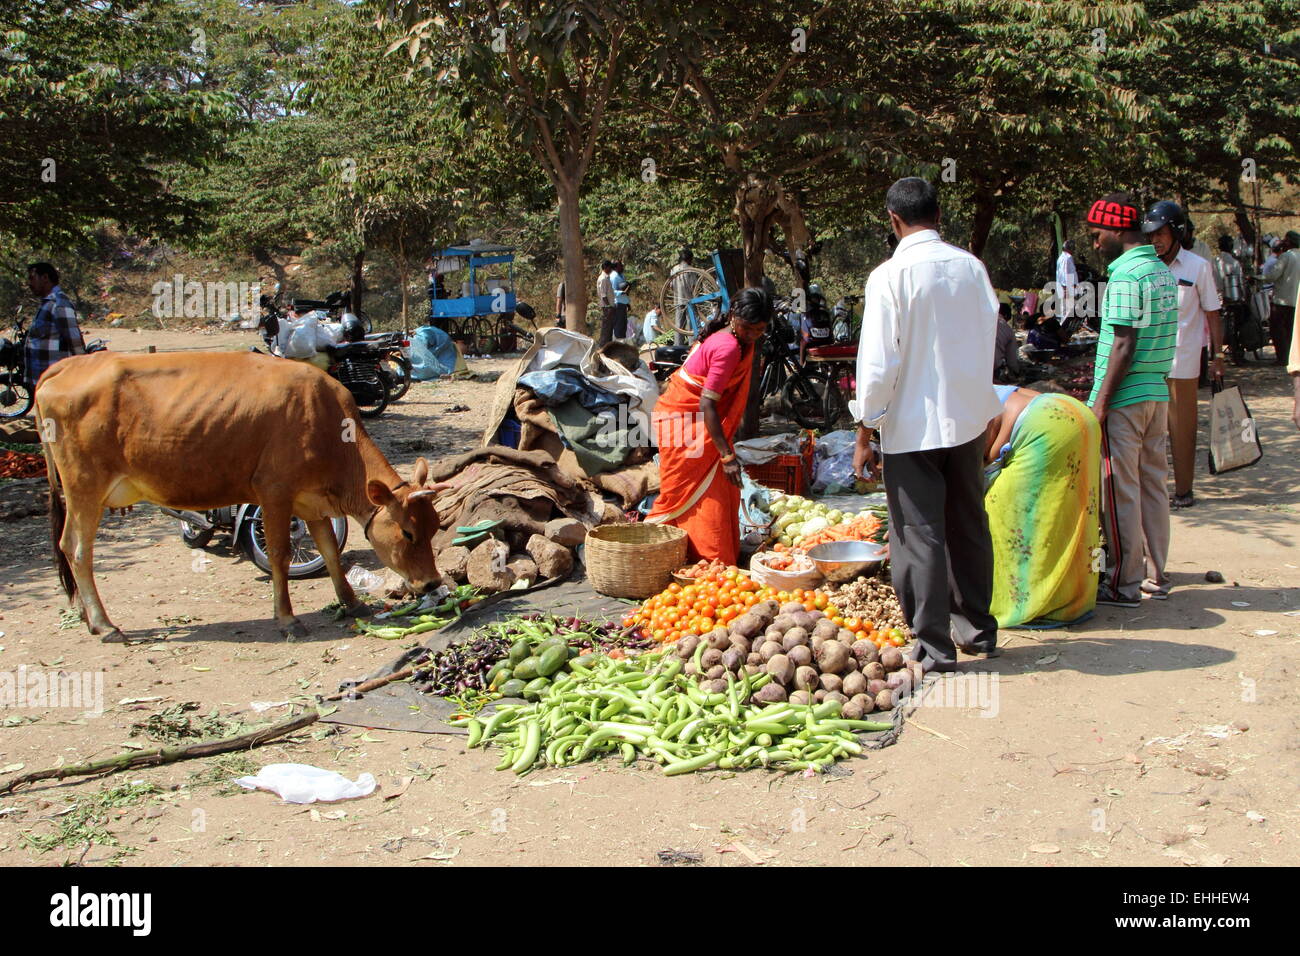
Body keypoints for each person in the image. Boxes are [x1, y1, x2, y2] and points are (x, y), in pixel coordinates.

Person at [849, 177, 1001, 673]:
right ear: (940, 215)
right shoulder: (971, 268)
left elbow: (876, 368)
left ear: (893, 221)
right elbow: (988, 340)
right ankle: (976, 629)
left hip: (912, 428)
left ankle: (935, 646)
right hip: (967, 419)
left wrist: (865, 430)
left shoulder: (889, 277)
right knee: (968, 523)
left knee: (919, 532)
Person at [1085, 192, 1179, 607]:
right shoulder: (1160, 271)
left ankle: (1123, 584)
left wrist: (1101, 404)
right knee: (1153, 485)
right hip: (1156, 393)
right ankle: (1156, 574)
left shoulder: (1126, 276)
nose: (1094, 242)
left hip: (1124, 399)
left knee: (1119, 489)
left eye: (1097, 233)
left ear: (1117, 230)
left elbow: (1123, 344)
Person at [646, 288, 772, 565]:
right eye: (748, 328)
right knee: (695, 496)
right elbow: (707, 405)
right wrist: (727, 456)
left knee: (721, 490)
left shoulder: (737, 340)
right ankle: (686, 559)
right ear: (734, 317)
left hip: (693, 424)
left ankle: (695, 559)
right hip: (686, 426)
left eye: (760, 330)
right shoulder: (727, 347)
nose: (753, 335)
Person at [982, 384, 1101, 627]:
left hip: (1046, 427)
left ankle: (1029, 605)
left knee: (1004, 515)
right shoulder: (972, 383)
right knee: (1066, 513)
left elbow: (979, 464)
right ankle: (1070, 597)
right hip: (1077, 415)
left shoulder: (956, 406)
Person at [1142, 201, 1223, 509]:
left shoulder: (1197, 267)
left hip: (1183, 363)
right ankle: (1154, 490)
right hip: (1149, 364)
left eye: (1160, 233)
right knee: (1150, 430)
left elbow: (1213, 313)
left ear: (1175, 232)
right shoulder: (1146, 266)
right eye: (1151, 235)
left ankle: (1184, 490)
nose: (1155, 240)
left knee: (1182, 429)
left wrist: (1218, 356)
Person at [24, 263, 86, 386]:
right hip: (42, 378)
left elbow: (74, 339)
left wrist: (84, 368)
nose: (29, 284)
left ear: (45, 278)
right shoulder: (47, 303)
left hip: (54, 380)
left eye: (32, 278)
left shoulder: (59, 303)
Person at [1262, 230, 1298, 365]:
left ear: (1288, 242)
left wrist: (1259, 278)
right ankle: (1292, 357)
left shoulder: (1285, 257)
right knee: (1292, 331)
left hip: (1282, 300)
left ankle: (1282, 358)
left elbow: (1272, 276)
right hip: (1296, 301)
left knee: (1277, 330)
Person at [1214, 234, 1247, 364]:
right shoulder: (1235, 263)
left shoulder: (1213, 261)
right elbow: (1240, 282)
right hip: (1233, 299)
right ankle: (1237, 352)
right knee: (1238, 325)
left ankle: (1215, 353)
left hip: (1216, 299)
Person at [668, 248, 695, 345]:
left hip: (678, 301)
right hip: (689, 301)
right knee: (691, 325)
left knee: (679, 325)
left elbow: (670, 286)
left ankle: (678, 346)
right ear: (689, 259)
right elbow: (694, 286)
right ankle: (692, 346)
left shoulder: (674, 269)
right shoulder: (691, 269)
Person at [993, 303, 1022, 379]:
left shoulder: (978, 320)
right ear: (1005, 315)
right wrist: (1017, 373)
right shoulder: (1007, 329)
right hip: (992, 369)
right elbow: (1012, 359)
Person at [1056, 239, 1078, 326]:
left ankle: (1062, 328)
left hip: (1063, 287)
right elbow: (1065, 274)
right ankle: (1064, 329)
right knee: (1068, 311)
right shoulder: (1067, 258)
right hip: (1067, 287)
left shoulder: (1061, 258)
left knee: (1064, 310)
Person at [609, 260, 631, 340]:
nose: (622, 267)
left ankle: (621, 342)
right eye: (620, 265)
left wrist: (627, 303)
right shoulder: (614, 277)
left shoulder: (621, 275)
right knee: (619, 325)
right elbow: (612, 291)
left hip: (623, 303)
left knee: (623, 325)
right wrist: (622, 292)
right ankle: (618, 343)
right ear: (615, 267)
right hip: (618, 303)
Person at [596, 260, 615, 345]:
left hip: (609, 306)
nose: (611, 269)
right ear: (606, 267)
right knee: (606, 328)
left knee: (609, 328)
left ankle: (608, 345)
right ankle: (603, 345)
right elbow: (603, 295)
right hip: (607, 307)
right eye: (610, 267)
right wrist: (608, 306)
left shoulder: (607, 277)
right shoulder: (603, 279)